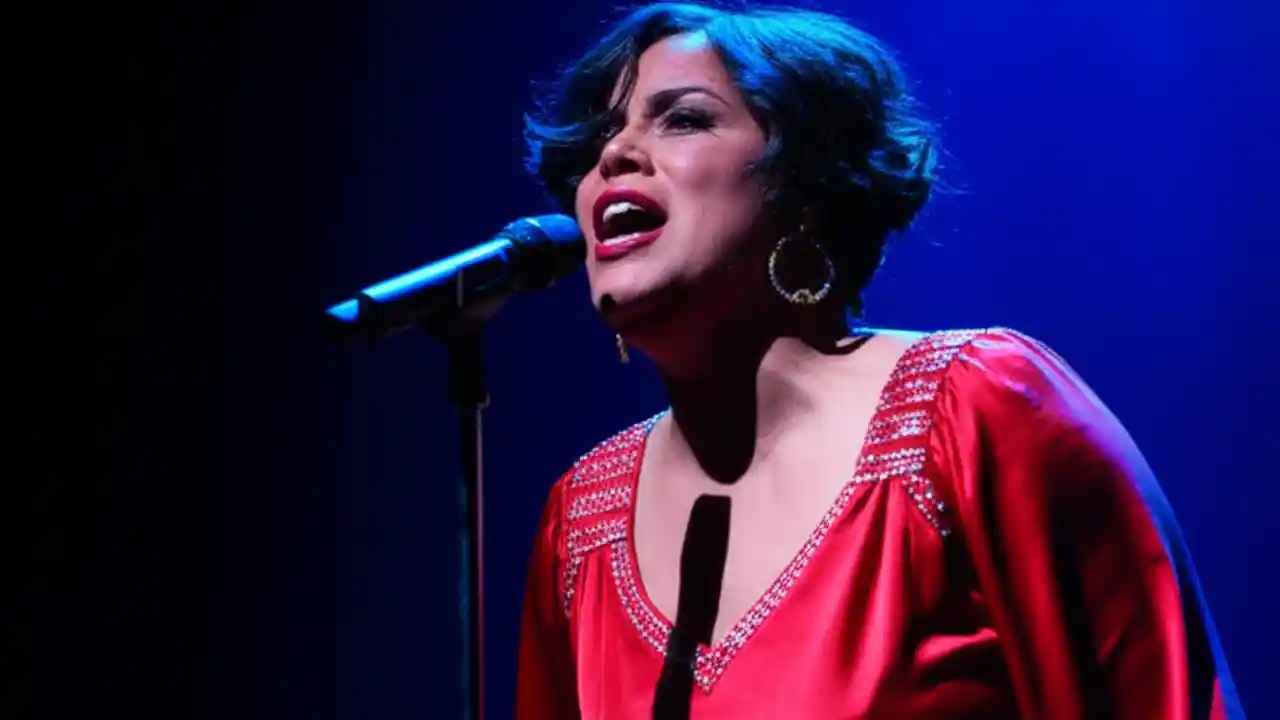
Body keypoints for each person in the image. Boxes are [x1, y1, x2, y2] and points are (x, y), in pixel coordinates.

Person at [514, 3, 1240, 718]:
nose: (614, 155)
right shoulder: (580, 524)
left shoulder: (979, 409)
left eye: (684, 118)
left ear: (805, 188)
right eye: (603, 137)